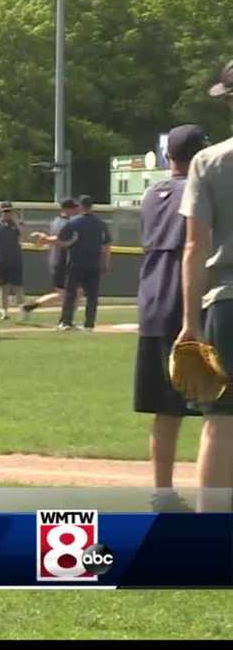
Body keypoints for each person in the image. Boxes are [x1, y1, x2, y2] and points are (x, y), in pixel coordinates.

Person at [136, 124, 208, 512]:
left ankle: (162, 493)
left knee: (167, 407)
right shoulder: (198, 188)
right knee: (219, 412)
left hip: (151, 301)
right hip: (188, 302)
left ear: (167, 157)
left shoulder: (151, 193)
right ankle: (215, 497)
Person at [177, 59, 233, 512]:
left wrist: (189, 322)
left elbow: (194, 248)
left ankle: (208, 535)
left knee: (221, 424)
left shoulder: (209, 161)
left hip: (228, 306)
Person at [50, 195, 111, 331]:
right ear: (92, 206)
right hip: (93, 264)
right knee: (92, 296)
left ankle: (66, 322)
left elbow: (62, 240)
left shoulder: (73, 222)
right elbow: (106, 245)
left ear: (80, 206)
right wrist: (106, 263)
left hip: (75, 263)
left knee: (70, 293)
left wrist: (46, 239)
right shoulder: (101, 223)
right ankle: (89, 324)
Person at [21, 197, 81, 322]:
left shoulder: (56, 221)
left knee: (70, 293)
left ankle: (65, 319)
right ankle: (65, 321)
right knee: (70, 294)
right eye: (74, 208)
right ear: (66, 209)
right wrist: (44, 239)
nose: (77, 210)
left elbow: (54, 239)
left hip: (57, 260)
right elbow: (60, 240)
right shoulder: (66, 223)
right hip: (62, 261)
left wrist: (44, 238)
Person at [0, 201, 25, 321]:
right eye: (5, 211)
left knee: (18, 287)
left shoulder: (16, 225)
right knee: (3, 288)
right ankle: (4, 312)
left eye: (9, 211)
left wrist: (16, 222)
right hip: (0, 260)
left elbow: (23, 235)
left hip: (15, 259)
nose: (7, 214)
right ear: (1, 212)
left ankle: (22, 311)